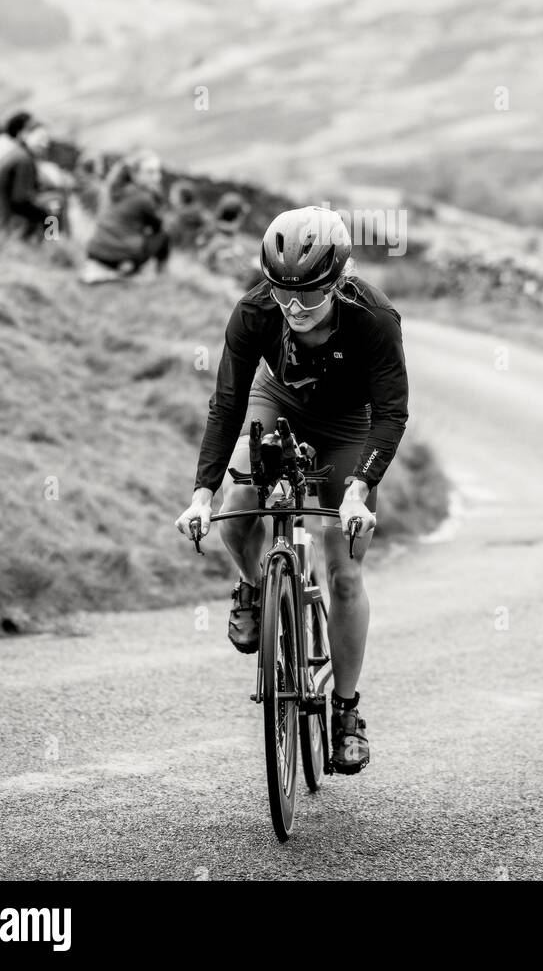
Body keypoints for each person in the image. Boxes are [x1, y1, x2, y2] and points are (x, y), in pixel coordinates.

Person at [174, 206, 409, 774]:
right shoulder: (256, 310)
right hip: (276, 401)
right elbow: (227, 404)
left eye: (308, 297)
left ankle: (346, 713)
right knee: (238, 508)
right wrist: (201, 493)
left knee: (343, 565)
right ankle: (254, 586)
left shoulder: (374, 318)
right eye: (283, 294)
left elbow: (391, 412)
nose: (294, 308)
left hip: (348, 426)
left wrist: (358, 489)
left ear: (339, 280)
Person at [84, 150, 169, 277]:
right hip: (116, 255)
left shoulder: (110, 189)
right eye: (150, 172)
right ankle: (155, 273)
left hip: (95, 251)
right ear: (135, 174)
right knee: (163, 237)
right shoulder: (143, 197)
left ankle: (52, 240)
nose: (157, 177)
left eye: (158, 172)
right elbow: (157, 225)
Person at [0, 121, 58, 239]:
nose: (45, 144)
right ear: (26, 135)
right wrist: (45, 212)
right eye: (41, 138)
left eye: (47, 140)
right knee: (50, 212)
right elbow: (20, 200)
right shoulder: (24, 160)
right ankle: (50, 243)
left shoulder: (18, 153)